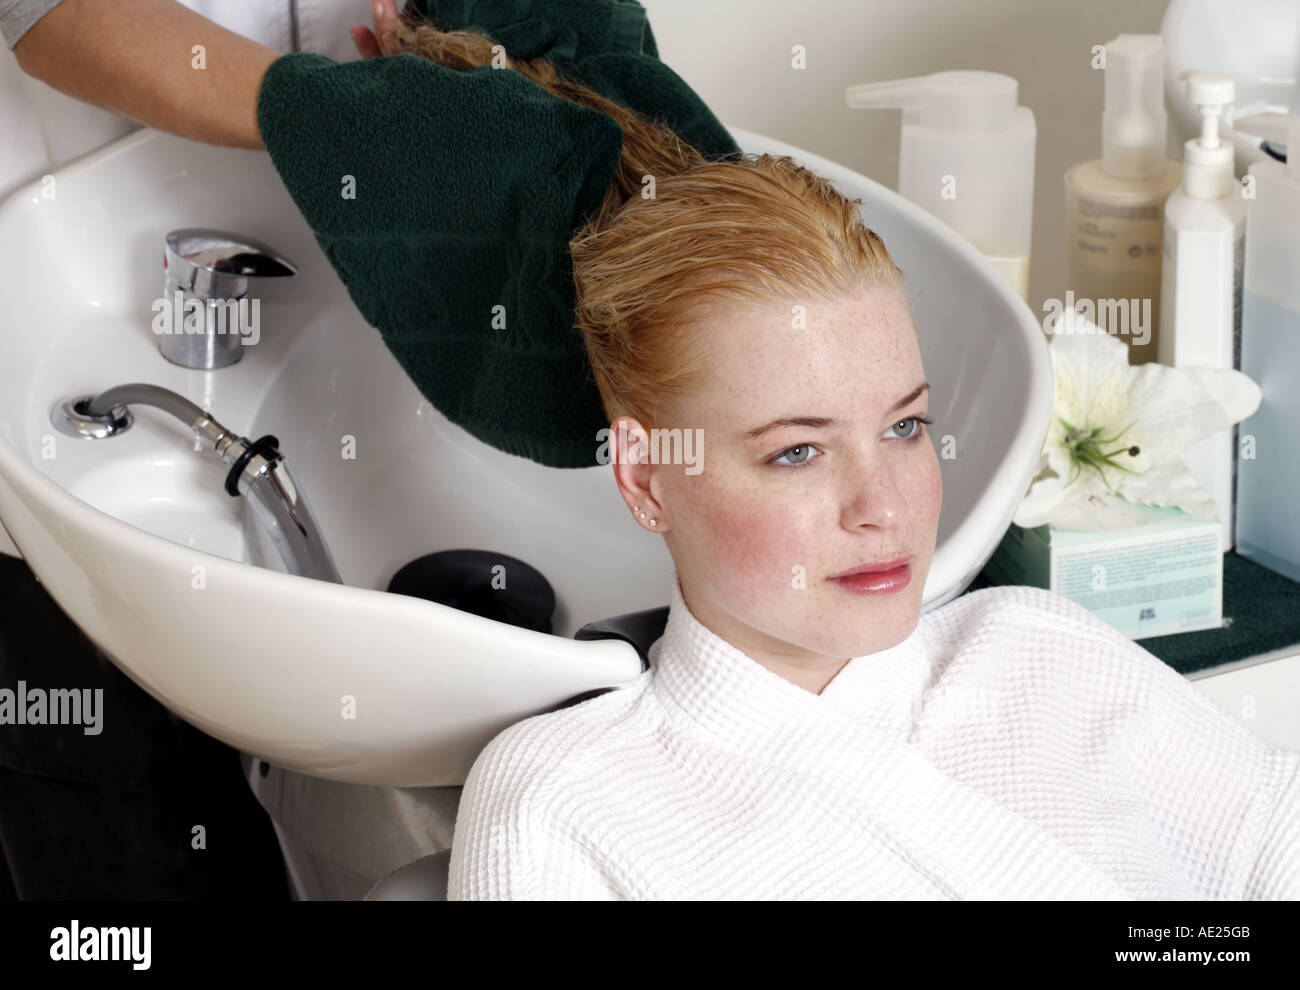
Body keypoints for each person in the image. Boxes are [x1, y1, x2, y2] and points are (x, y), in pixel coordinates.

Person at [358, 18, 1300, 899]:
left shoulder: (1033, 649)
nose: (884, 506)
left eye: (904, 427)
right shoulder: (563, 804)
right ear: (647, 476)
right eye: (798, 452)